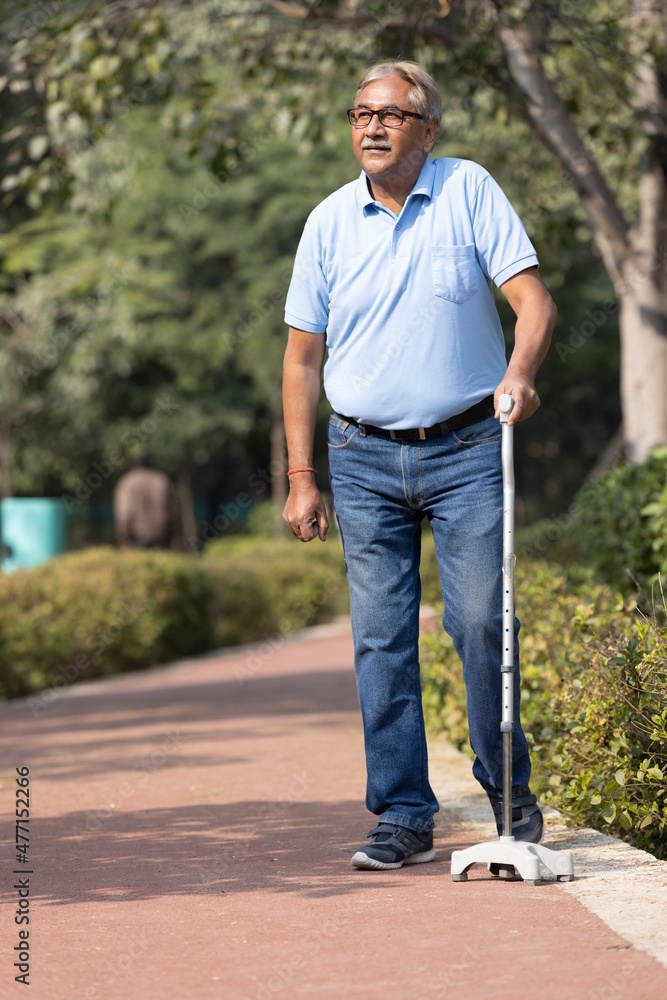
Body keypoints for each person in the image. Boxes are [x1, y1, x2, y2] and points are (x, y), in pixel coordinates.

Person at [282, 61, 557, 871]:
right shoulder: (327, 222)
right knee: (380, 641)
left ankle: (507, 793)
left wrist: (520, 373)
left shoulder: (468, 189)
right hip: (360, 455)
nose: (371, 127)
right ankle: (403, 815)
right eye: (360, 113)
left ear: (427, 131)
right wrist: (302, 476)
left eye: (391, 116)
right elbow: (301, 361)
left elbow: (534, 303)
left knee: (478, 623)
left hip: (469, 448)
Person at [113, 455, 177, 550]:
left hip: (137, 536)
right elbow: (172, 510)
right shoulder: (162, 479)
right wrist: (172, 534)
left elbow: (124, 511)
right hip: (161, 534)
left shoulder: (128, 481)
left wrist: (123, 536)